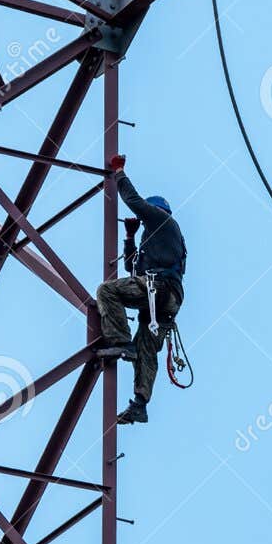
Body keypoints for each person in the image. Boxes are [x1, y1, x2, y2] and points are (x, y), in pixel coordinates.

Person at [95, 154, 186, 425]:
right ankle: (140, 404)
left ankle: (121, 341)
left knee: (107, 292)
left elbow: (133, 201)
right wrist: (130, 238)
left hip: (158, 290)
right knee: (146, 349)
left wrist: (119, 172)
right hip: (164, 300)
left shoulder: (163, 221)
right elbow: (132, 272)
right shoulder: (155, 239)